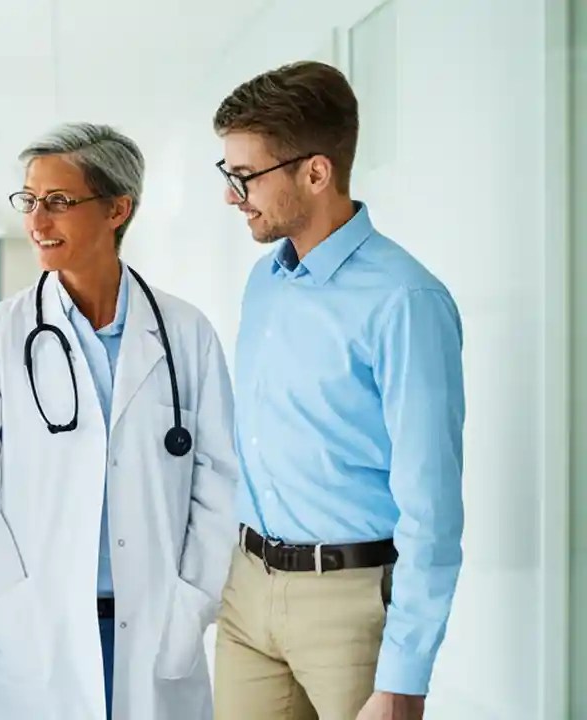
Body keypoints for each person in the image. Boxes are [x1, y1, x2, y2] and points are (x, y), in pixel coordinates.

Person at [0, 122, 239, 720]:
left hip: (155, 625)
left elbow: (221, 481)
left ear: (117, 209)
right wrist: (14, 613)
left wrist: (191, 606)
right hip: (43, 634)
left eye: (59, 203)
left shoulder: (185, 334)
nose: (37, 221)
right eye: (30, 201)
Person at [211, 61, 465, 720]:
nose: (232, 196)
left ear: (315, 172)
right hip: (247, 592)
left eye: (245, 177)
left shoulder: (405, 300)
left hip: (348, 607)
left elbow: (431, 505)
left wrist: (405, 676)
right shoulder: (265, 281)